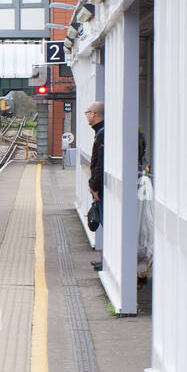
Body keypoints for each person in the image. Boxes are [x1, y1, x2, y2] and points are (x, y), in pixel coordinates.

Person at [87, 101, 104, 271]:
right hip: (99, 187)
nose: (86, 116)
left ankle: (106, 260)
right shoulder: (100, 132)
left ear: (94, 114)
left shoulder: (101, 133)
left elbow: (100, 164)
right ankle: (105, 259)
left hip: (100, 189)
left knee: (105, 221)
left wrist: (94, 186)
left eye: (87, 112)